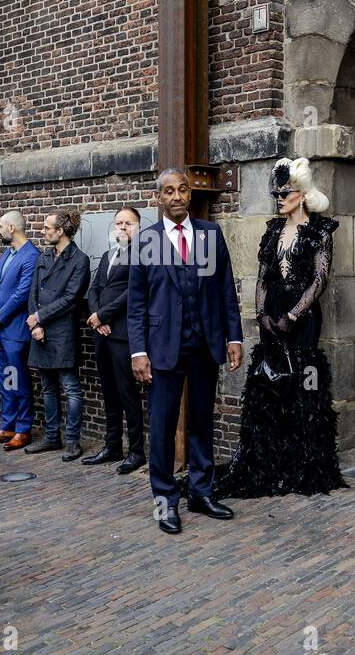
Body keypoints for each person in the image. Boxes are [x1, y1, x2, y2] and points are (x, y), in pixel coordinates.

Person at [216, 158, 346, 498]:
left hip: (302, 319)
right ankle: (268, 462)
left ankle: (303, 464)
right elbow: (262, 277)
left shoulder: (321, 231)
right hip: (272, 314)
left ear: (301, 195)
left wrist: (293, 315)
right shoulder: (273, 231)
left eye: (284, 192)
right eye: (276, 192)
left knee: (304, 382)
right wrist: (261, 314)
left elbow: (319, 279)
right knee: (269, 383)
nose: (278, 197)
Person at [127, 169, 243, 534]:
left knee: (201, 420)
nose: (177, 196)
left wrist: (234, 337)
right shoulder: (147, 241)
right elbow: (136, 304)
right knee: (161, 426)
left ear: (189, 195)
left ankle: (200, 492)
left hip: (205, 344)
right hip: (162, 349)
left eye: (183, 190)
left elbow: (226, 290)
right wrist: (137, 352)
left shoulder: (210, 234)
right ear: (158, 197)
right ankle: (164, 501)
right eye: (169, 191)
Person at [84, 206, 146, 472]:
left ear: (138, 227)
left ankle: (136, 451)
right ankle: (112, 446)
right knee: (108, 392)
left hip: (122, 335)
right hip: (103, 335)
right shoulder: (109, 255)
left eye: (128, 223)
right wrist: (96, 317)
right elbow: (96, 289)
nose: (122, 227)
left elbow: (133, 293)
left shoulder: (142, 255)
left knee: (127, 394)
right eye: (118, 223)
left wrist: (103, 316)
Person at [25, 211, 90, 461]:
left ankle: (73, 440)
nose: (43, 232)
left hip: (63, 331)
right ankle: (52, 436)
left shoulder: (79, 260)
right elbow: (33, 292)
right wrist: (35, 324)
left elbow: (70, 298)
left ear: (60, 231)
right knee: (48, 387)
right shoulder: (44, 256)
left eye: (46, 228)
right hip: (40, 330)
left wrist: (40, 317)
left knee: (71, 388)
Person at [0, 210, 39, 450]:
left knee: (19, 380)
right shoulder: (7, 254)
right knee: (6, 380)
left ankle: (23, 429)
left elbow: (21, 294)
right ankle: (7, 426)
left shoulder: (31, 255)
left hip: (14, 331)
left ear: (12, 228)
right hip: (0, 331)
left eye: (0, 227)